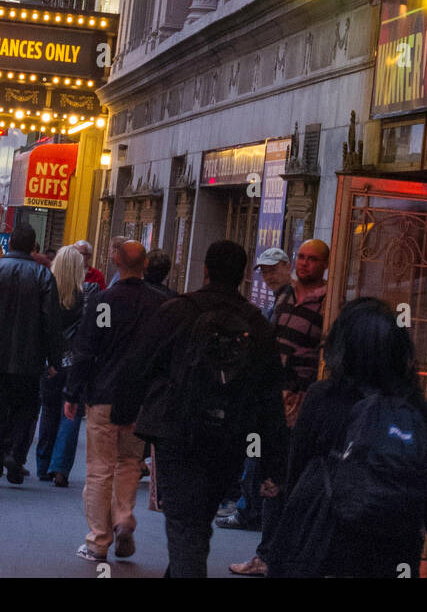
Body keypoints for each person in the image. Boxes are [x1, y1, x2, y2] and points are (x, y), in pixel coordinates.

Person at [113, 240, 287, 579]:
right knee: (197, 522)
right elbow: (269, 398)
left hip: (176, 429)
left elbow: (138, 364)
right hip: (230, 436)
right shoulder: (257, 324)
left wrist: (124, 414)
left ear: (205, 270)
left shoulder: (178, 311)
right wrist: (274, 464)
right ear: (242, 276)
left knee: (185, 524)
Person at [264, 297, 427, 579]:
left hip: (327, 542)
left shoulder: (323, 397)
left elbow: (297, 472)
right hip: (395, 548)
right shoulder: (412, 408)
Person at [230, 237, 329, 576]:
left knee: (290, 480)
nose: (305, 264)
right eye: (301, 257)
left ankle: (283, 556)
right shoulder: (285, 296)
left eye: (312, 259)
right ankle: (267, 554)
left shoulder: (326, 302)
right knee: (269, 479)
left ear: (325, 264)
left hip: (303, 403)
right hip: (274, 399)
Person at [63, 240, 166, 564]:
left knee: (99, 469)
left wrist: (72, 392)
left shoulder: (105, 301)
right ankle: (123, 515)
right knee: (128, 463)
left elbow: (87, 349)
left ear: (116, 261)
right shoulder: (160, 304)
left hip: (105, 394)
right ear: (145, 264)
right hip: (141, 399)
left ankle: (98, 540)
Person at [0, 223, 62, 487]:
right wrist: (54, 358)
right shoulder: (42, 275)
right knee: (25, 410)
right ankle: (15, 457)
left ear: (11, 244)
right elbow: (51, 320)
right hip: (30, 357)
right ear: (33, 246)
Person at [218, 246, 293, 533]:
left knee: (258, 455)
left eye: (273, 269)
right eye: (264, 271)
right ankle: (249, 508)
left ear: (287, 265)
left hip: (275, 394)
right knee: (257, 455)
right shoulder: (279, 300)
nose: (269, 275)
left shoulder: (288, 299)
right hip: (271, 392)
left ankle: (249, 511)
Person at [36, 245, 88, 487]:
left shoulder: (46, 291)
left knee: (48, 412)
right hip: (76, 362)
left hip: (50, 361)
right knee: (71, 413)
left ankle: (43, 464)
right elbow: (99, 328)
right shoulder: (90, 293)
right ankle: (60, 467)